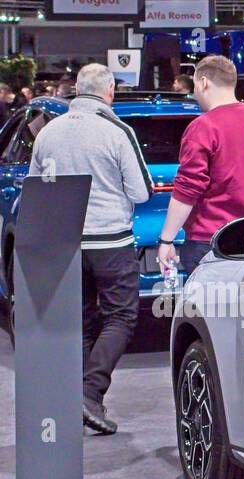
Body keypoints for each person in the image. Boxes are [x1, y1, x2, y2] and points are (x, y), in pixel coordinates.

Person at [29, 63, 152, 435]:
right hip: (109, 241)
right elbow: (141, 191)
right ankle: (90, 393)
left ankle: (79, 401)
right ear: (109, 91)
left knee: (81, 321)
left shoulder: (48, 132)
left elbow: (37, 187)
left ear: (76, 91)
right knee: (121, 317)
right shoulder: (116, 131)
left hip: (63, 241)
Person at [157, 55, 244, 277]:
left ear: (203, 82)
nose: (194, 93)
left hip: (210, 243)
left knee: (206, 309)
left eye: (194, 85)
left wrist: (166, 240)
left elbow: (187, 190)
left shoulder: (203, 127)